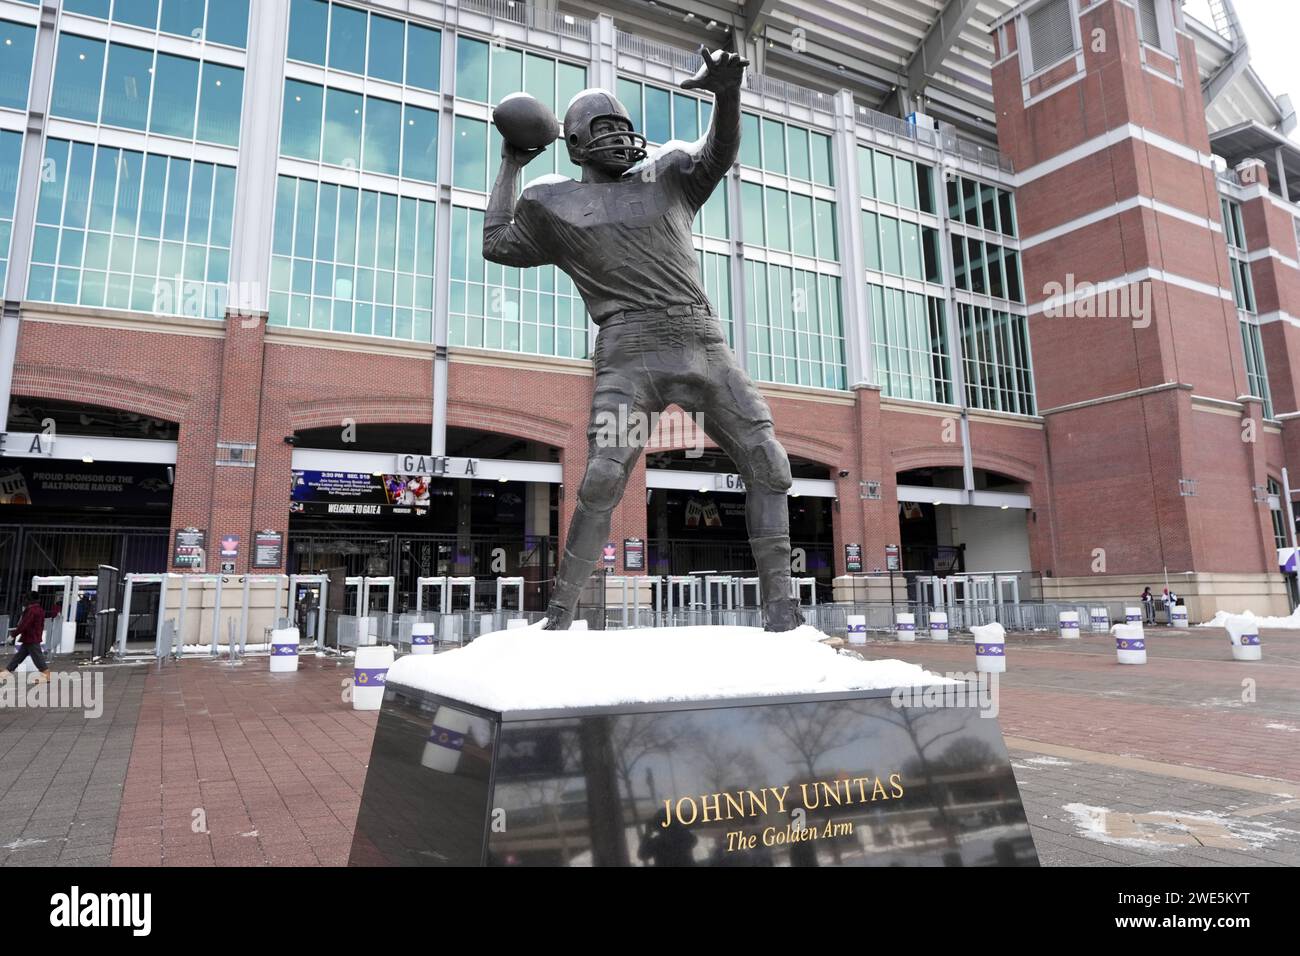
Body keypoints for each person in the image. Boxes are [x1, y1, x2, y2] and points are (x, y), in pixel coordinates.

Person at [484, 47, 803, 632]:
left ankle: (783, 612)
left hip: (702, 342)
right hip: (629, 357)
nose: (619, 138)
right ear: (574, 143)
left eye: (622, 127)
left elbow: (720, 151)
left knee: (768, 461)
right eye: (603, 129)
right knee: (603, 477)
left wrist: (726, 92)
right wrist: (511, 164)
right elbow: (496, 242)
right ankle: (560, 616)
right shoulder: (552, 201)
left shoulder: (669, 175)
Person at [6, 591, 51, 684]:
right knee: (19, 657)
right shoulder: (39, 609)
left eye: (26, 599)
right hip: (31, 637)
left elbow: (24, 624)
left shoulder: (31, 610)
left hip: (31, 637)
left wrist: (13, 635)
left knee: (38, 658)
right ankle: (6, 672)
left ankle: (46, 675)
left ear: (29, 600)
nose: (24, 601)